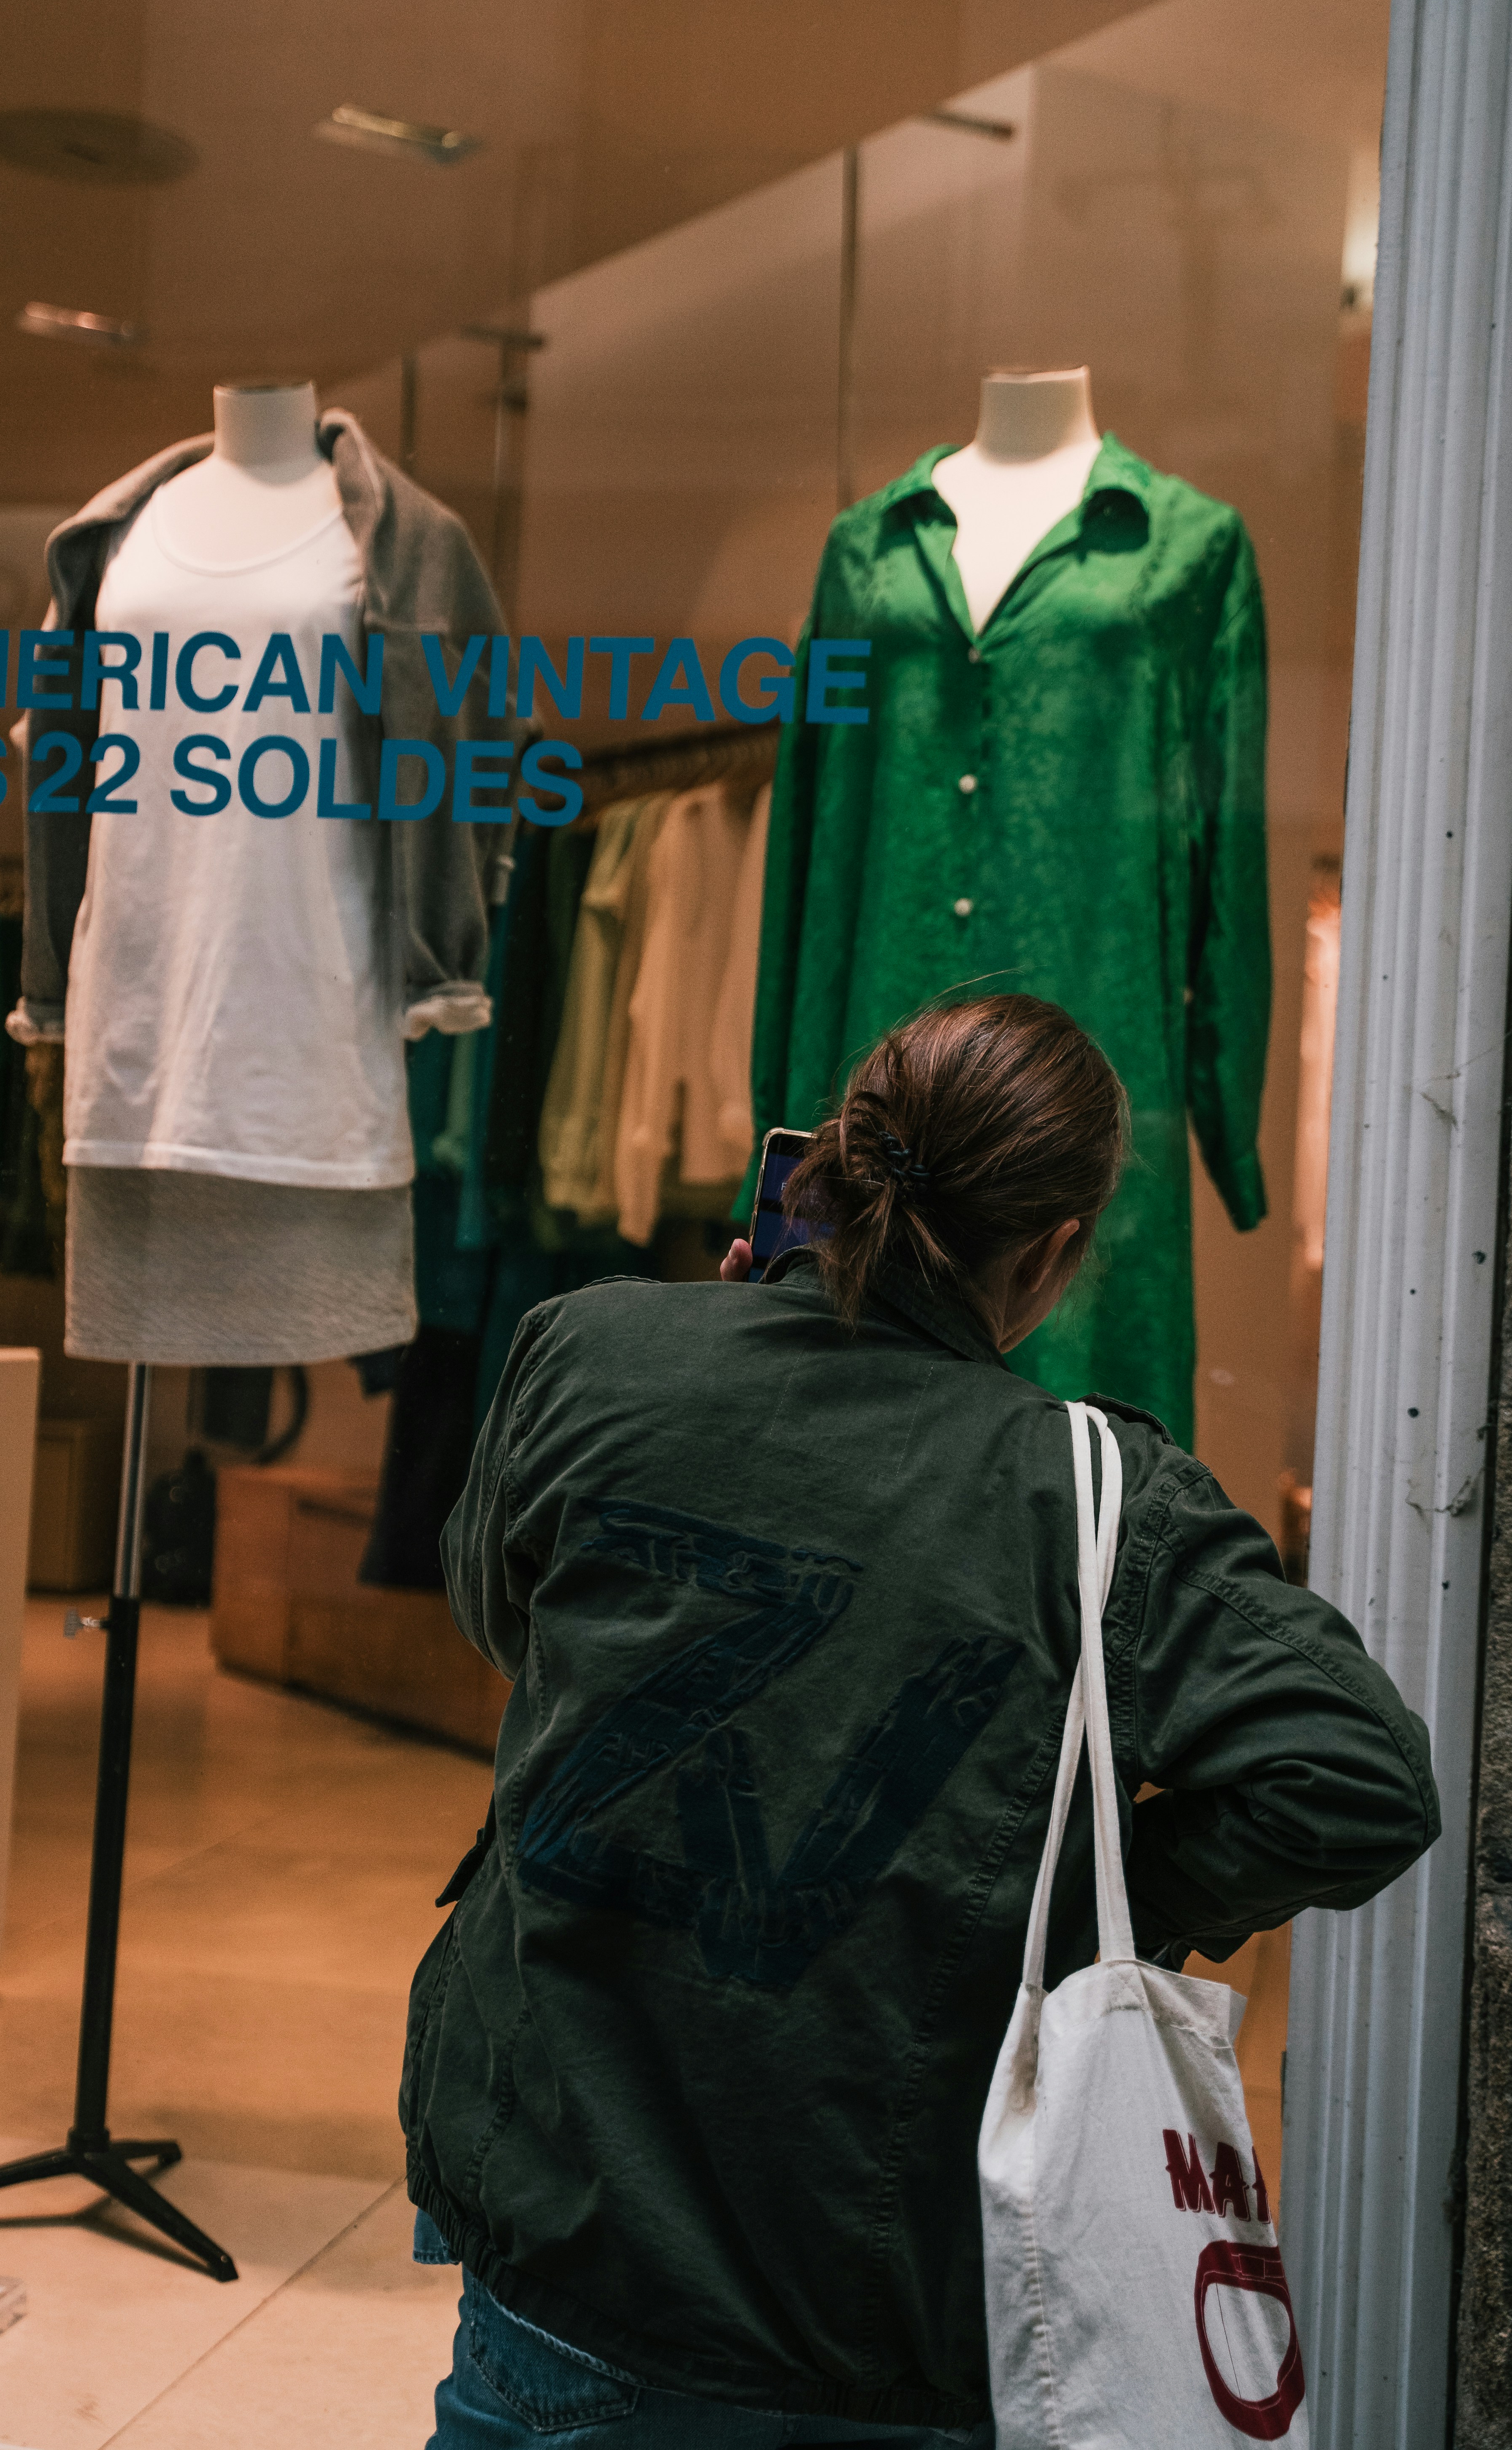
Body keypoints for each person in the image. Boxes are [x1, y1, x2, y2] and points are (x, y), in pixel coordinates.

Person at [403, 991, 1439, 2447]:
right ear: (1057, 1252)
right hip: (871, 2323)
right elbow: (1366, 1782)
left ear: (826, 1165)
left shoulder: (590, 1348)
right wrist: (1074, 1904)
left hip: (565, 2263)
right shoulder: (1101, 1502)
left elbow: (499, 1611)